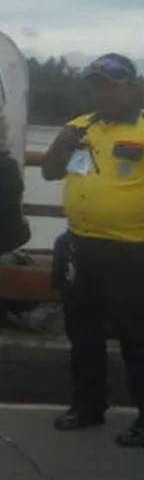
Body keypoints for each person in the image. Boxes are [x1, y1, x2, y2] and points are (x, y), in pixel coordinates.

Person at [41, 53, 144, 447]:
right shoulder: (81, 128)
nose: (102, 92)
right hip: (81, 245)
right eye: (96, 85)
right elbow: (55, 172)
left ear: (130, 87)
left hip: (131, 250)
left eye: (110, 85)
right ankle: (87, 406)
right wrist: (63, 145)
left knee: (137, 337)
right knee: (83, 332)